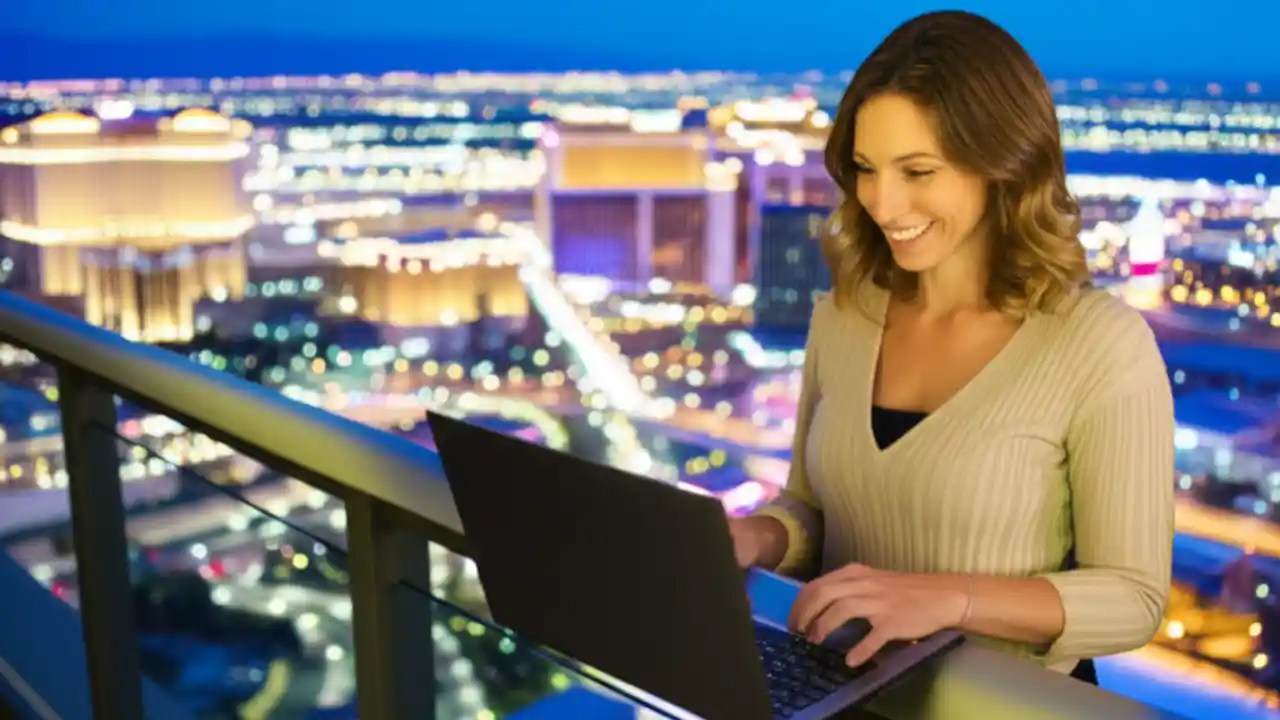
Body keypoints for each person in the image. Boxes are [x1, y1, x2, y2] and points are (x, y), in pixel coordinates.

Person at [728, 10, 1174, 686]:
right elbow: (814, 508)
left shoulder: (1101, 345)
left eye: (918, 170)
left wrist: (946, 596)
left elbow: (1134, 598)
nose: (881, 201)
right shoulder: (844, 315)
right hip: (837, 690)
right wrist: (753, 538)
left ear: (1004, 163)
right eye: (866, 168)